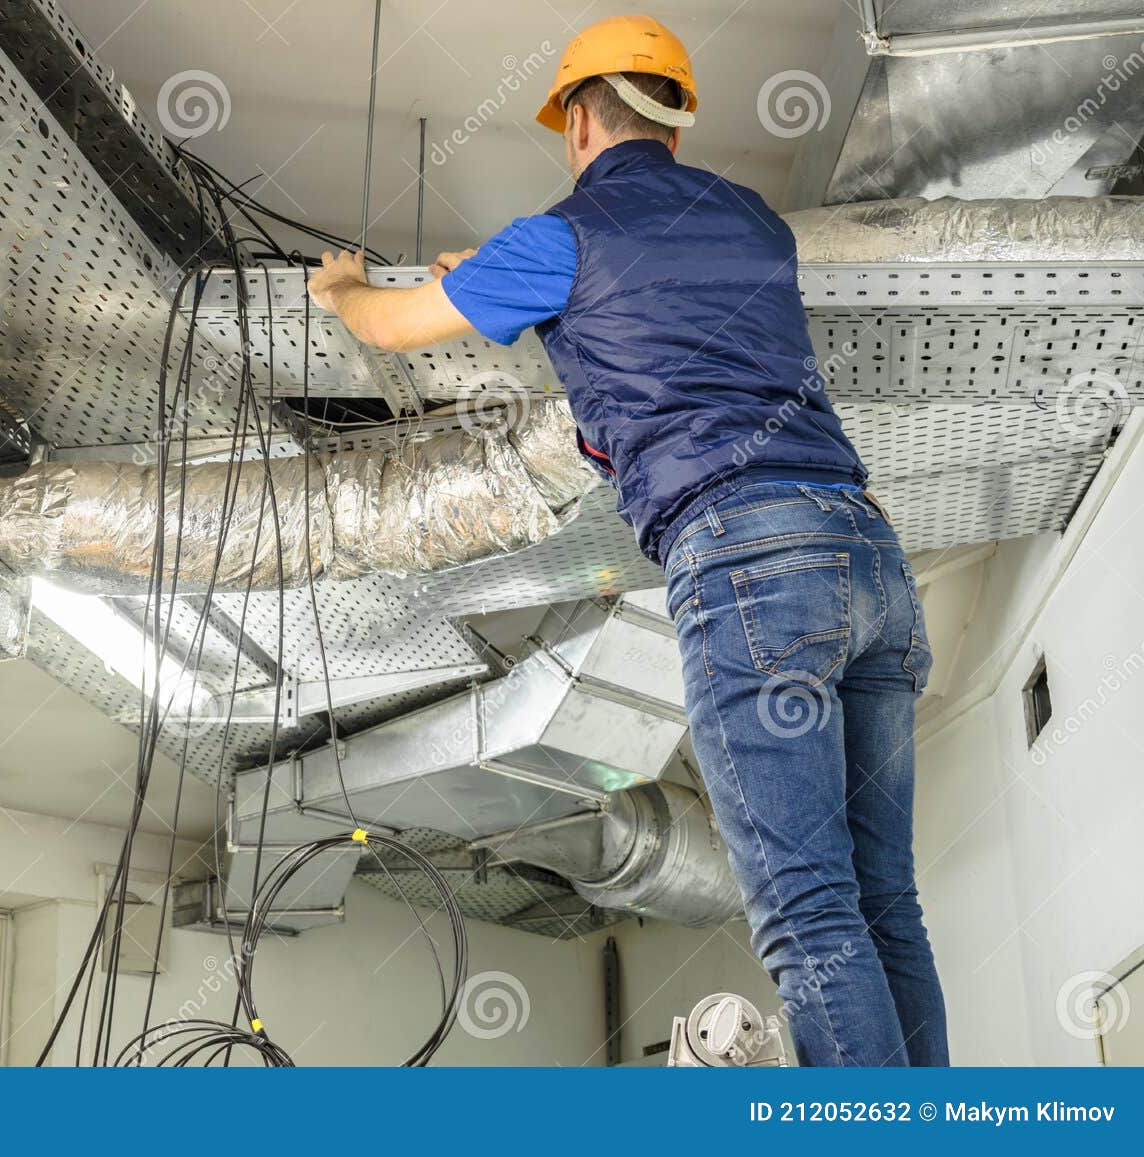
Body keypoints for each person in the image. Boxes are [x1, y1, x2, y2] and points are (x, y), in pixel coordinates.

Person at [305, 14, 947, 1067]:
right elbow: (665, 300)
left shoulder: (556, 238)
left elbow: (387, 326)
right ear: (674, 129)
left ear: (573, 127)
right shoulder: (755, 224)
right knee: (885, 902)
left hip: (750, 565)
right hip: (868, 557)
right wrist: (510, 278)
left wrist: (341, 289)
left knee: (805, 907)